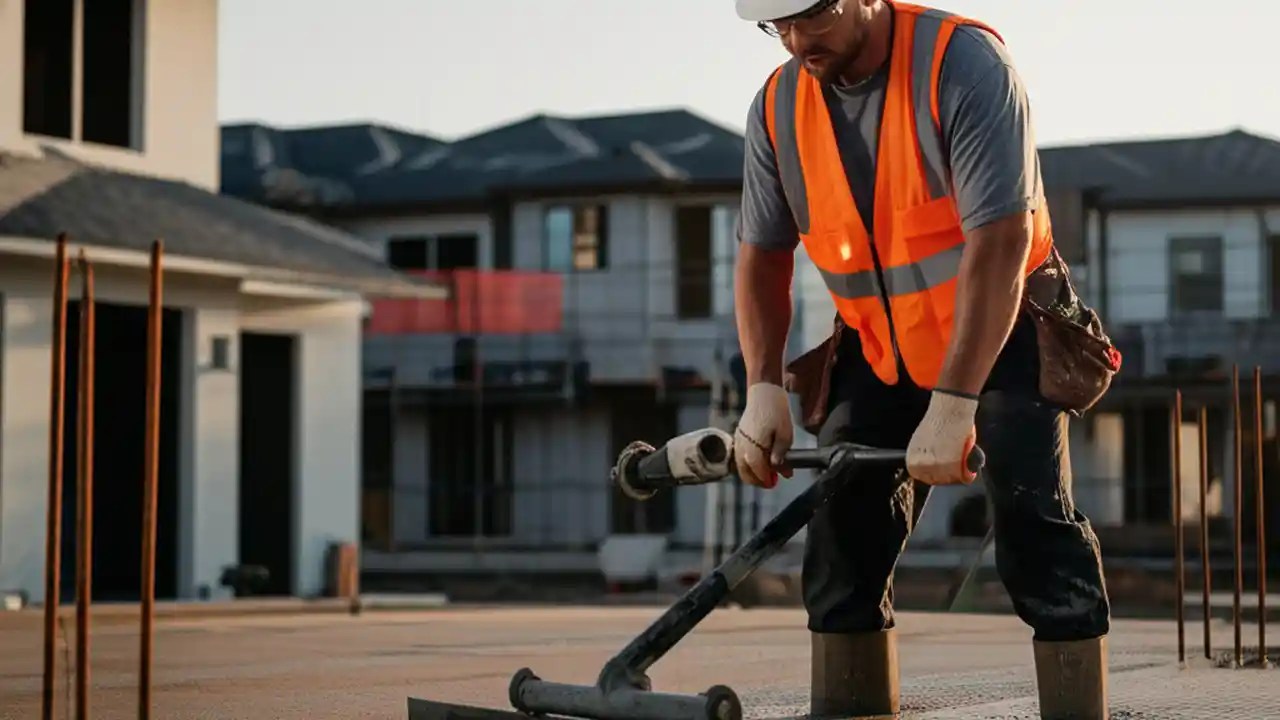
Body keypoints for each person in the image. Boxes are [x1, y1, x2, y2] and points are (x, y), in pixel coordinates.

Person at [730, 1, 1115, 718]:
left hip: (1000, 332)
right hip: (879, 344)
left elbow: (999, 240)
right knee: (842, 534)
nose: (790, 39)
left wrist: (956, 400)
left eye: (808, 17)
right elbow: (761, 255)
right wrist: (761, 387)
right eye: (773, 24)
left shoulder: (962, 67)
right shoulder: (778, 108)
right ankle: (854, 707)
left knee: (1033, 527)